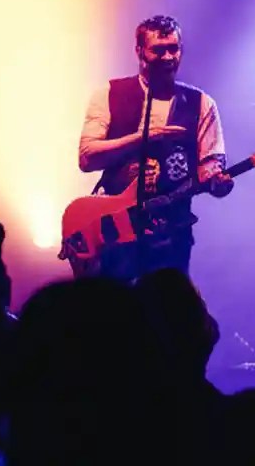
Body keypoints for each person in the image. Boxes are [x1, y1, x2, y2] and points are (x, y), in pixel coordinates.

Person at [74, 15, 231, 280]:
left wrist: (218, 184)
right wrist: (142, 138)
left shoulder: (201, 103)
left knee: (164, 313)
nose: (169, 57)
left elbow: (210, 167)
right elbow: (87, 159)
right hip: (114, 228)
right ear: (139, 51)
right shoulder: (109, 93)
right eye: (159, 50)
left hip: (171, 232)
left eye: (174, 48)